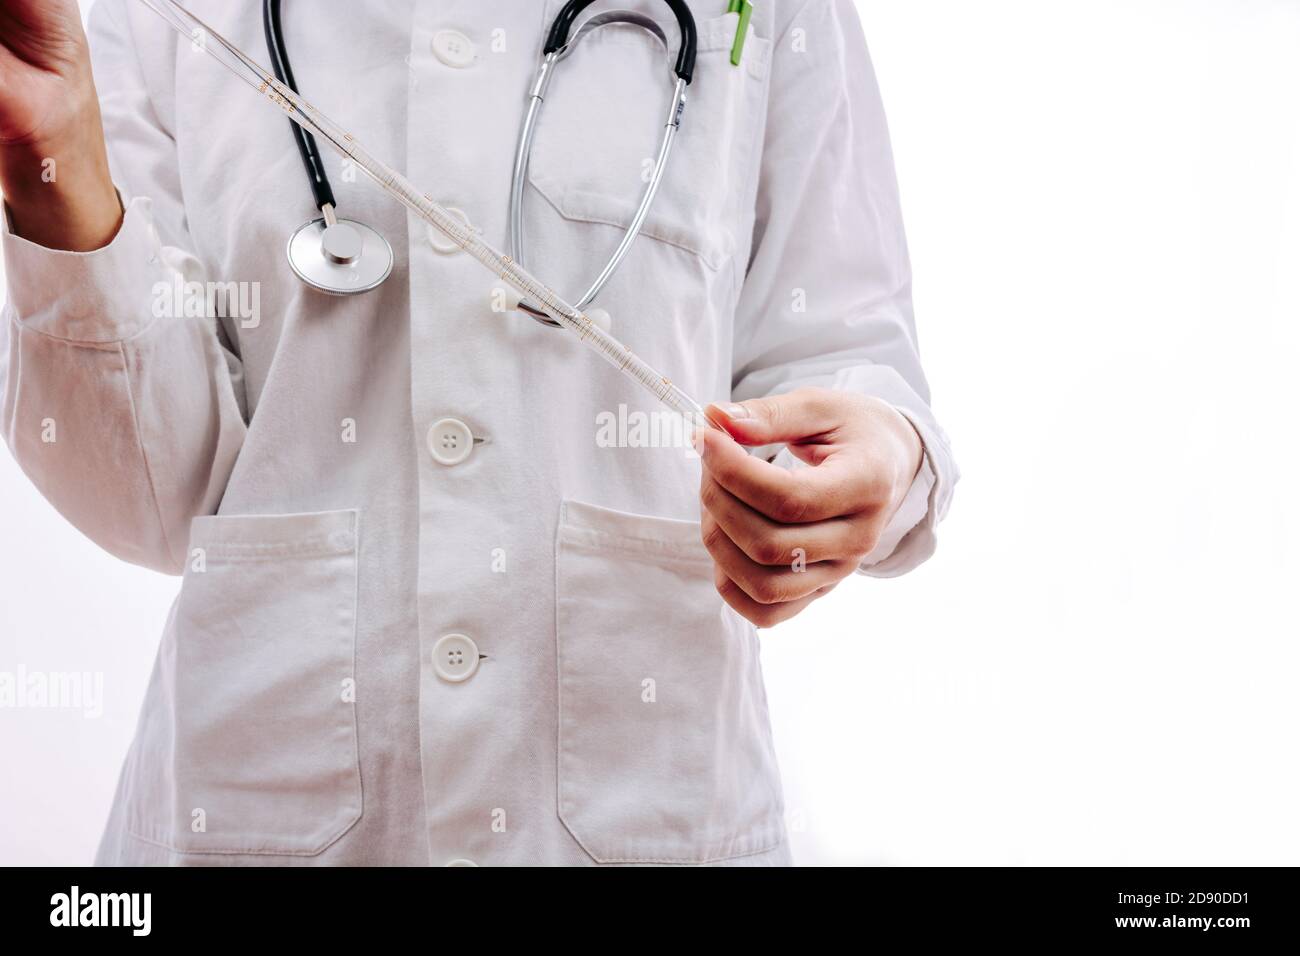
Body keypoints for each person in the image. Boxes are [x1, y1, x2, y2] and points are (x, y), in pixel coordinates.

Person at [0, 0, 956, 866]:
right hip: (252, 818)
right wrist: (60, 176)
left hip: (654, 807)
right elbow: (154, 500)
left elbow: (844, 347)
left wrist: (879, 459)